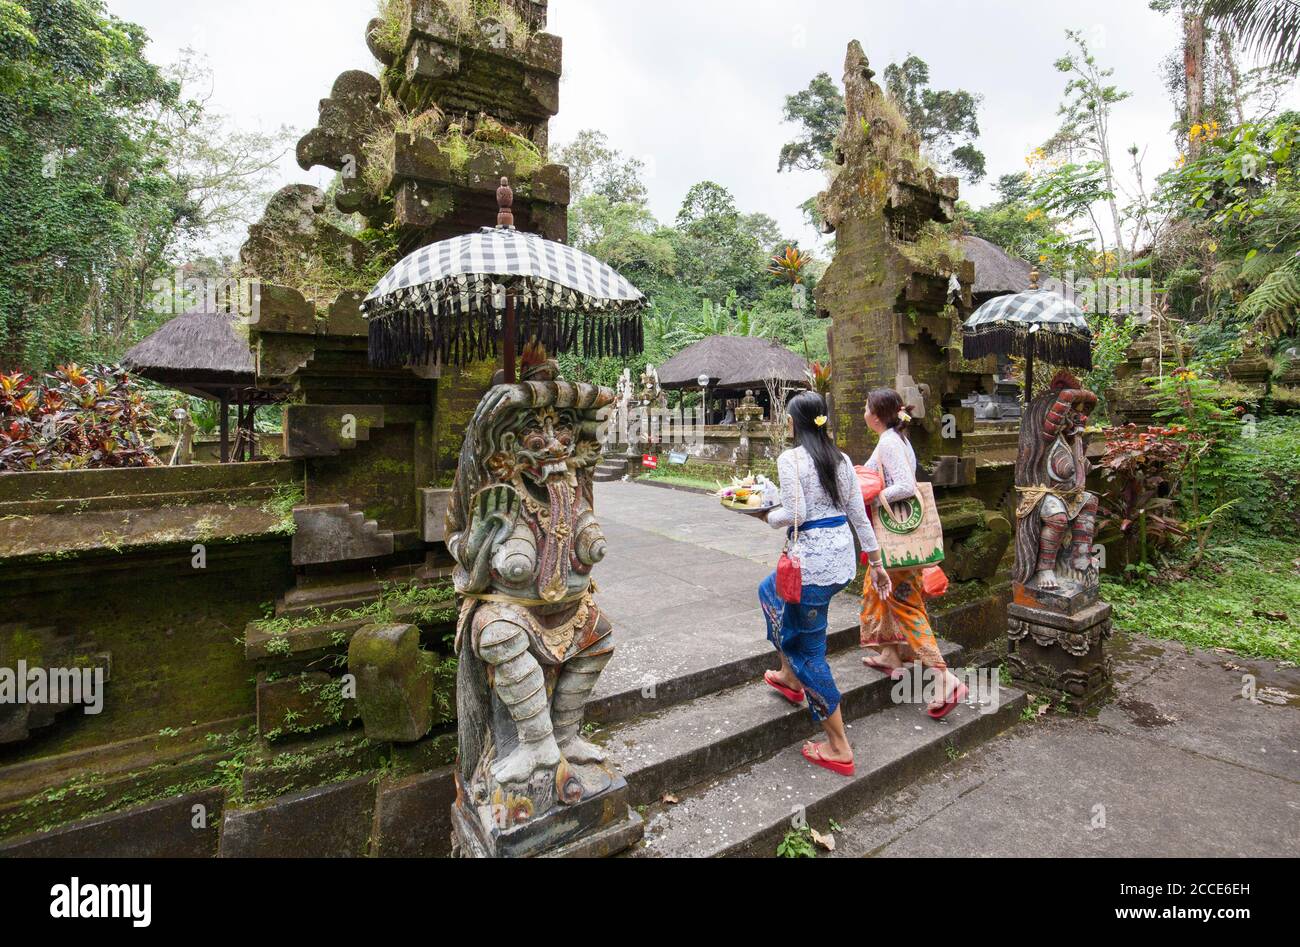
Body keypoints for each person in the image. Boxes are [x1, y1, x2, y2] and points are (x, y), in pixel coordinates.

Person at [758, 391, 892, 777]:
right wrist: (876, 562)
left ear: (793, 423)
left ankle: (838, 745)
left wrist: (764, 514)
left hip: (811, 568)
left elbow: (795, 513)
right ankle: (787, 675)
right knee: (768, 592)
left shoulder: (791, 459)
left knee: (809, 652)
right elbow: (857, 513)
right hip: (840, 562)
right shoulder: (841, 458)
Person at [858, 389, 968, 719]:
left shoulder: (891, 442)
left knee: (905, 603)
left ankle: (944, 677)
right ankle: (890, 655)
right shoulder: (893, 437)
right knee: (872, 591)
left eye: (866, 407)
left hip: (897, 540)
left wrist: (877, 500)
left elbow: (905, 486)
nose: (863, 412)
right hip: (898, 539)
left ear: (875, 416)